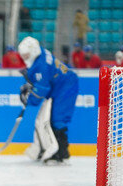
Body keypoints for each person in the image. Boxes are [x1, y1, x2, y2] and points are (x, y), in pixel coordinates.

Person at [17, 36, 79, 164]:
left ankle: (60, 153)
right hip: (59, 85)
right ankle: (47, 148)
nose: (25, 58)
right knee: (45, 119)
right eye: (23, 55)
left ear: (33, 51)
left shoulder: (42, 65)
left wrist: (30, 98)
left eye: (27, 55)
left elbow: (42, 88)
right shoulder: (39, 55)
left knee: (57, 118)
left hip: (66, 86)